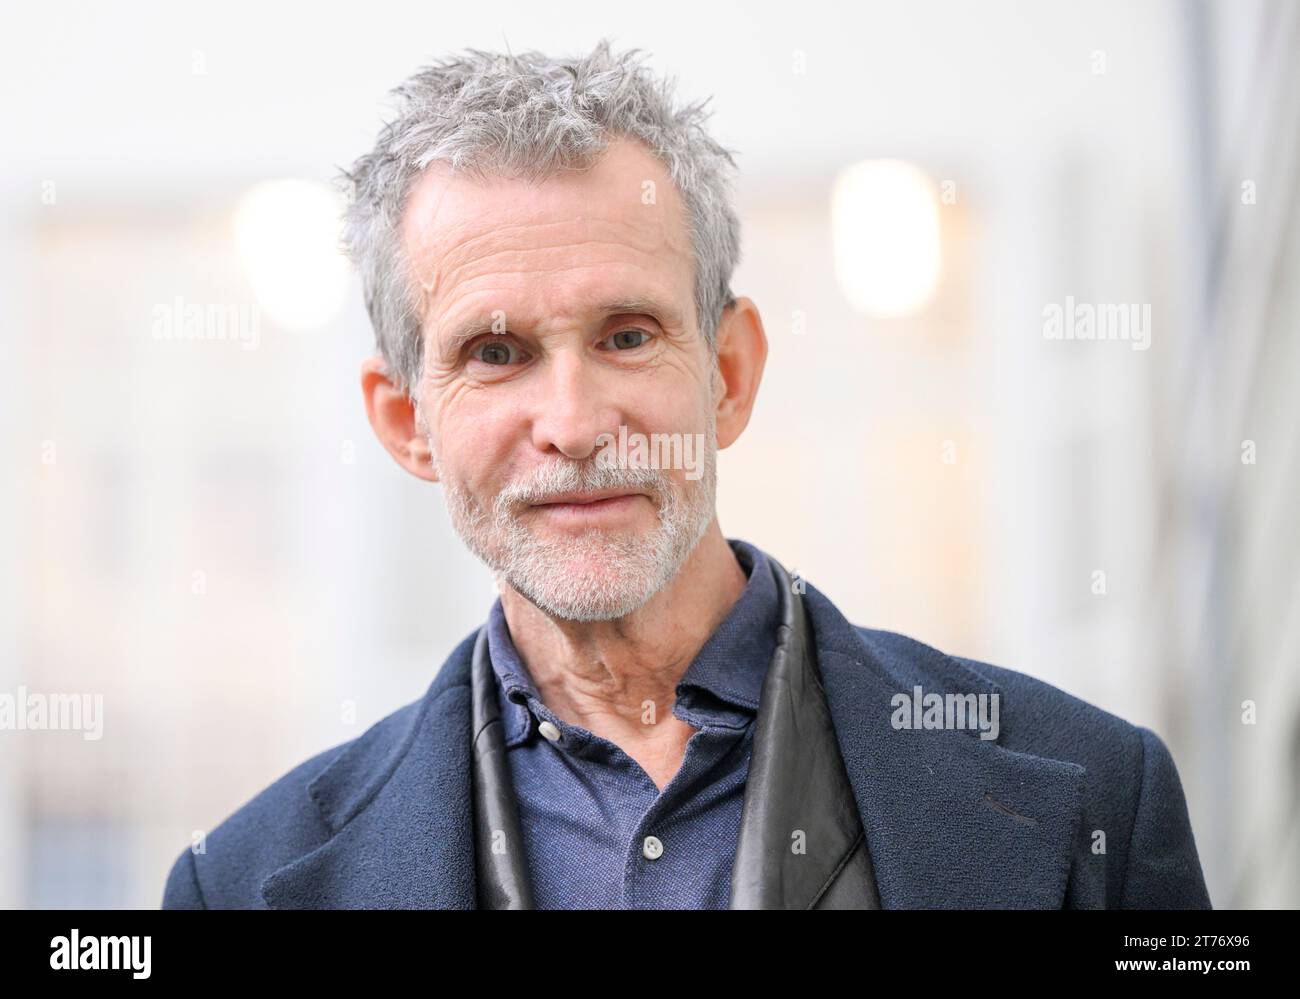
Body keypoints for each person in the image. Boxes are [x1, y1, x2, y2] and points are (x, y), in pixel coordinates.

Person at [162, 39, 1211, 910]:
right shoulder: (240, 888)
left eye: (625, 336)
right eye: (494, 353)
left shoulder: (1097, 804)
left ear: (728, 372)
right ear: (408, 424)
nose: (572, 425)